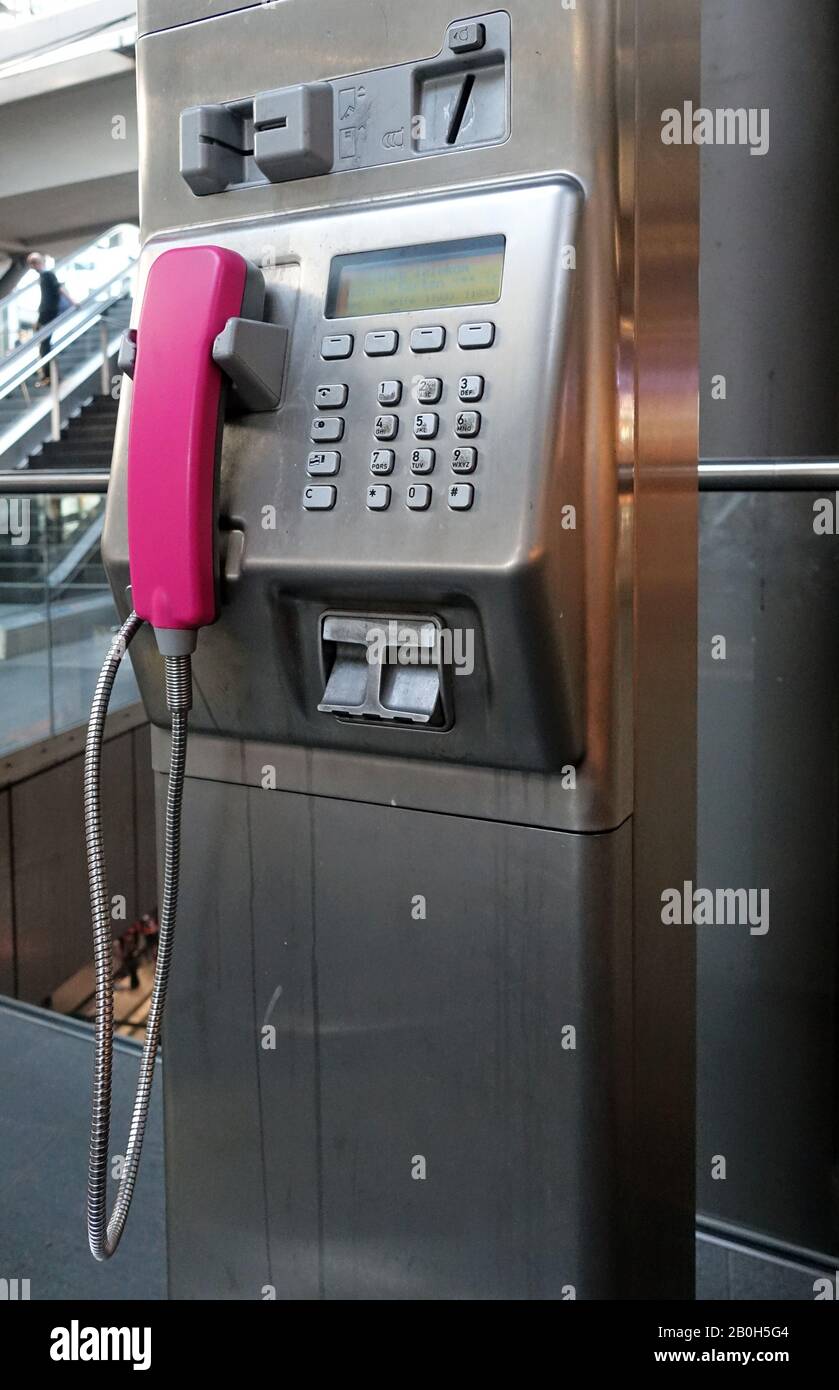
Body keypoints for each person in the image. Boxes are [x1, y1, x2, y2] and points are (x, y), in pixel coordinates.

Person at [26, 251, 74, 386]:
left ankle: (48, 376)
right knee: (44, 344)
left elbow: (59, 288)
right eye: (31, 264)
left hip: (47, 312)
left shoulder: (47, 274)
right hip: (45, 312)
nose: (32, 266)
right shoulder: (43, 276)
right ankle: (48, 375)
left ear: (39, 262)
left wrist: (73, 301)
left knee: (44, 344)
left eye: (33, 263)